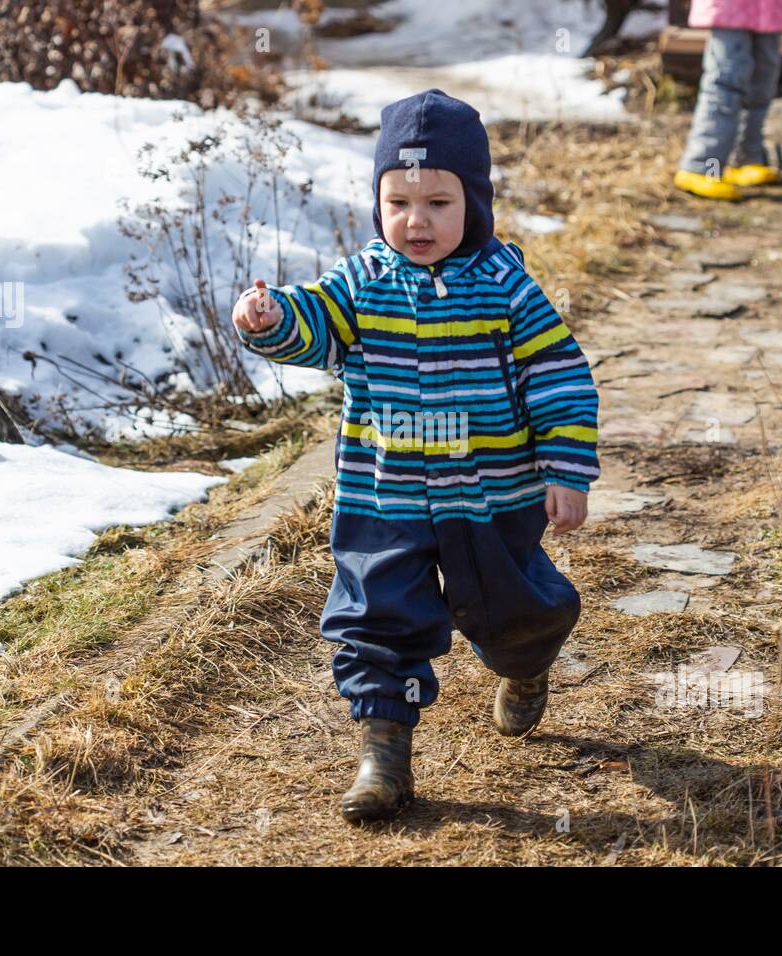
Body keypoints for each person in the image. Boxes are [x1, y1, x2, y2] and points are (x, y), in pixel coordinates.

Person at [230, 89, 600, 824]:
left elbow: (558, 376)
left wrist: (564, 470)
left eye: (438, 202)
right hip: (383, 497)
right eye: (398, 201)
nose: (416, 220)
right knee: (376, 621)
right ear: (377, 202)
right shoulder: (363, 281)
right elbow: (317, 324)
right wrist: (271, 321)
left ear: (476, 205)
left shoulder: (506, 288)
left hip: (492, 495)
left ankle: (525, 666)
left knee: (515, 610)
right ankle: (384, 759)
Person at [673, 0, 782, 201]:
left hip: (773, 10)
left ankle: (747, 158)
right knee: (726, 85)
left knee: (762, 85)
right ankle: (704, 166)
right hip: (730, 9)